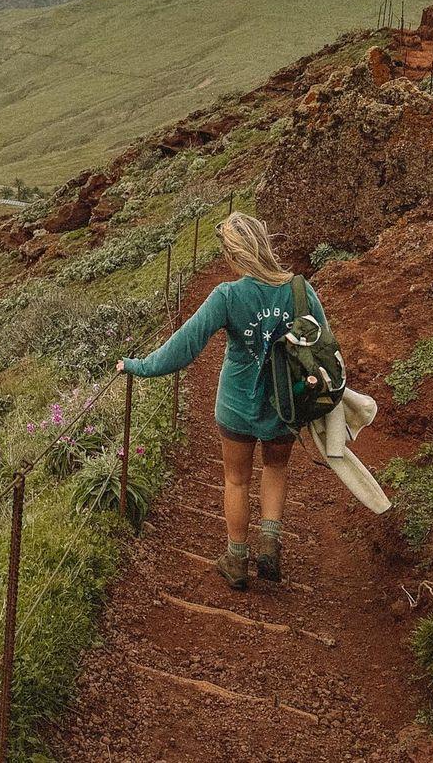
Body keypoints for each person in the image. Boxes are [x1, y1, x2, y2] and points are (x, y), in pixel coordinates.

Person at [115, 211, 329, 590]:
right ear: (264, 244)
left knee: (236, 479)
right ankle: (270, 544)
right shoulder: (300, 290)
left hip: (237, 405)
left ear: (233, 254)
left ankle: (237, 558)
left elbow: (185, 345)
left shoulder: (228, 295)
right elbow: (324, 346)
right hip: (287, 404)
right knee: (276, 470)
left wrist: (139, 366)